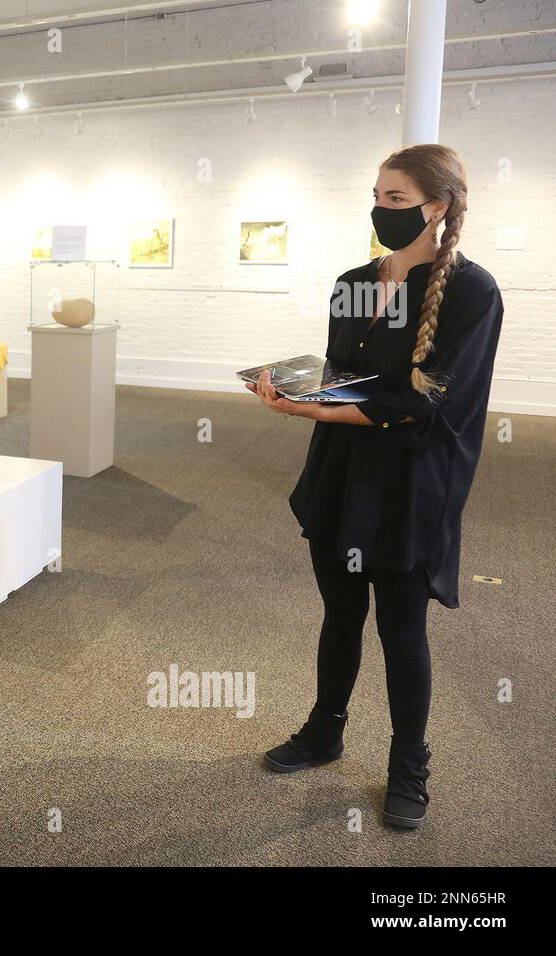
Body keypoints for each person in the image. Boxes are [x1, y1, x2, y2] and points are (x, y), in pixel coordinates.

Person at [247, 143, 504, 829]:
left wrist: (314, 408)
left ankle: (408, 765)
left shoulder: (473, 293)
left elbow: (429, 403)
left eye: (396, 200)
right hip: (343, 472)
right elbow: (347, 373)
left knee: (401, 630)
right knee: (339, 613)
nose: (380, 210)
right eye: (377, 196)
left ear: (438, 206)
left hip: (409, 486)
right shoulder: (353, 282)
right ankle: (324, 733)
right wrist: (304, 388)